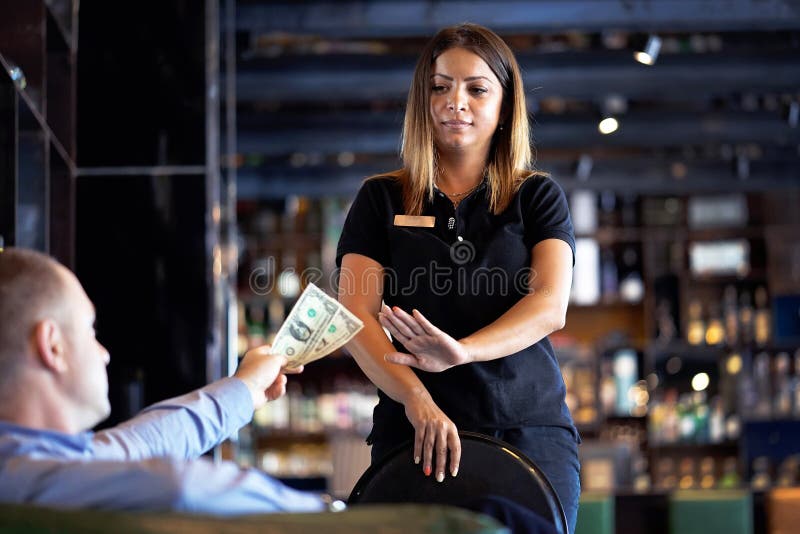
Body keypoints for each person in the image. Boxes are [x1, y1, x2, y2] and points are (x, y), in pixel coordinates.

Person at [336, 23, 580, 533]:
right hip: (414, 432)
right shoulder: (381, 198)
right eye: (440, 86)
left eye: (476, 88)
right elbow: (355, 316)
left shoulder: (536, 196)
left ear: (505, 103)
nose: (456, 101)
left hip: (526, 431)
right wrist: (417, 399)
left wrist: (463, 352)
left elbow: (550, 305)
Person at [0, 247, 328, 514]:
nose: (104, 353)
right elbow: (177, 486)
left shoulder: (34, 461)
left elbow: (133, 446)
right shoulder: (26, 478)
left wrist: (246, 389)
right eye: (90, 329)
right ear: (53, 346)